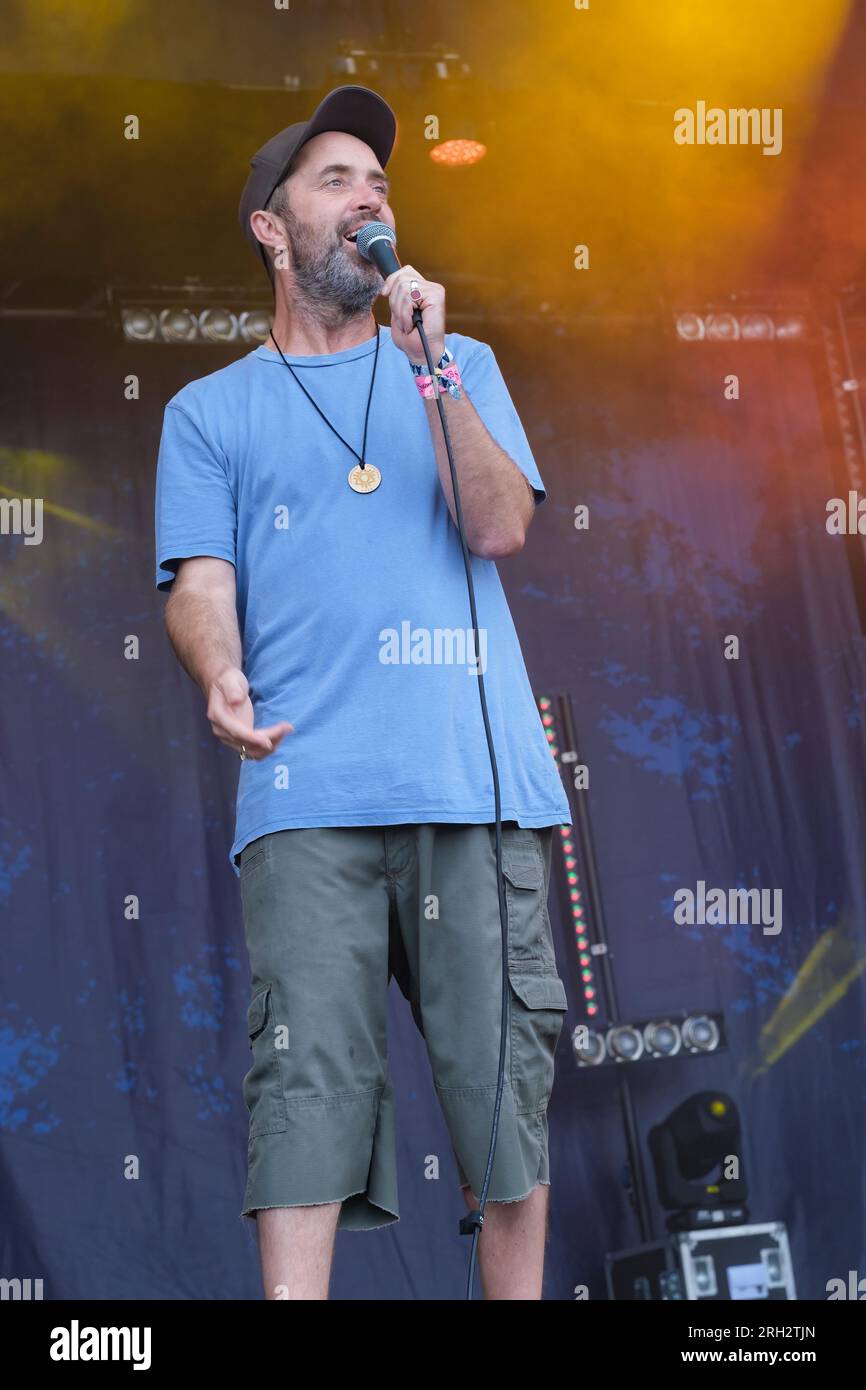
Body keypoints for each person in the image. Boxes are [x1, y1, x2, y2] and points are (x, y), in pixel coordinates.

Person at [154, 85, 572, 1300]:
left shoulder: (460, 360)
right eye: (335, 179)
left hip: (470, 782)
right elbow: (199, 579)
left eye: (378, 183)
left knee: (502, 1095)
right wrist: (218, 669)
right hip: (305, 794)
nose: (369, 197)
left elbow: (497, 527)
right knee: (304, 1086)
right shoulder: (207, 409)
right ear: (271, 229)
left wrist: (431, 362)